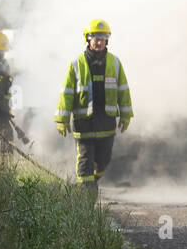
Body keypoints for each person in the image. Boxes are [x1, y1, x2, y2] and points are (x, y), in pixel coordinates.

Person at [54, 18, 133, 195]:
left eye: (103, 38)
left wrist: (126, 114)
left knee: (104, 160)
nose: (99, 42)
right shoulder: (77, 64)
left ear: (107, 41)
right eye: (95, 38)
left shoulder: (115, 63)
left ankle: (93, 181)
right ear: (88, 40)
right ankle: (85, 196)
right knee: (85, 160)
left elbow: (123, 90)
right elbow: (67, 92)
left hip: (106, 124)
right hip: (84, 124)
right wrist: (62, 119)